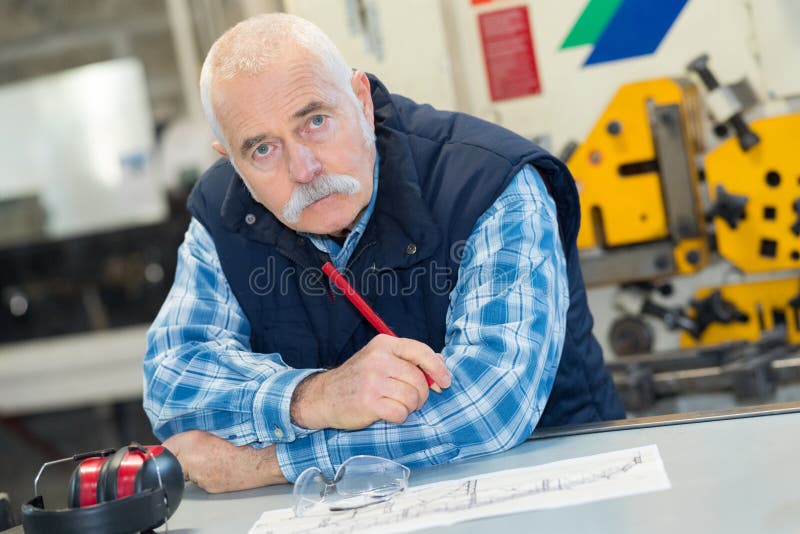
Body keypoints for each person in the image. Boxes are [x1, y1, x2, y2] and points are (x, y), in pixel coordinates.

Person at [143, 12, 624, 493]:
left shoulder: (492, 182)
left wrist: (265, 464)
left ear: (361, 101)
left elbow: (486, 409)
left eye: (314, 121)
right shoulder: (223, 212)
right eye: (262, 150)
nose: (303, 169)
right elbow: (172, 382)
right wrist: (310, 398)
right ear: (231, 160)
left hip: (552, 488)